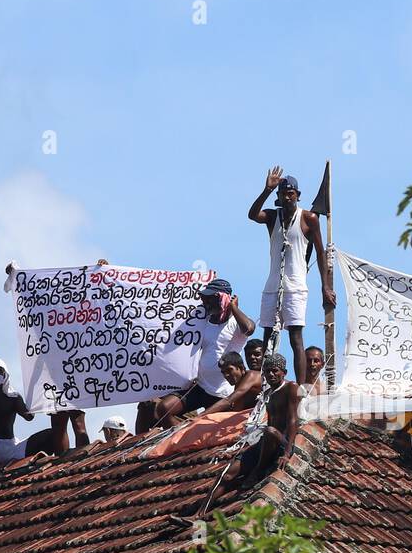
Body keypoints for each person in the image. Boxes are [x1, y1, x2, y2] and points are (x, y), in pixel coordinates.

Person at [247, 167, 336, 387]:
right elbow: (252, 214)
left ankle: (302, 389)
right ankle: (263, 387)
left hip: (295, 286)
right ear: (278, 196)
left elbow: (320, 252)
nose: (287, 196)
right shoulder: (272, 216)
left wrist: (325, 286)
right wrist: (267, 189)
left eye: (291, 192)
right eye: (283, 192)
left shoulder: (308, 218)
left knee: (295, 337)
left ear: (298, 195)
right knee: (268, 337)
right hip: (272, 287)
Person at [135, 278, 254, 432]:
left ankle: (187, 439)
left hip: (221, 392)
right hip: (200, 386)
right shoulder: (204, 320)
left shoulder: (235, 325)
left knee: (213, 431)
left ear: (223, 298)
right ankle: (180, 439)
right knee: (164, 408)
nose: (207, 303)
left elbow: (249, 328)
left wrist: (232, 306)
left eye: (211, 298)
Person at [222, 353, 301, 488]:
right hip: (268, 440)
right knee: (227, 474)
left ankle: (258, 470)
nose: (271, 374)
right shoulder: (267, 394)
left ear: (284, 372)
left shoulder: (291, 387)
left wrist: (287, 453)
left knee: (270, 431)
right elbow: (270, 423)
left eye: (275, 370)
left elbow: (293, 419)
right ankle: (202, 508)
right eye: (267, 372)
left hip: (282, 441)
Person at [0, 357, 54, 469]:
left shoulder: (13, 397)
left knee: (51, 434)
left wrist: (36, 393)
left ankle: (60, 463)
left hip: (12, 448)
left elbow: (29, 416)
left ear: (4, 375)